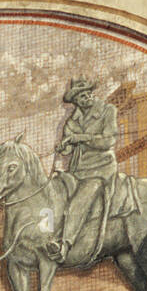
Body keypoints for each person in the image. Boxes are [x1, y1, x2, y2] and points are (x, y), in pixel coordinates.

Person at [55, 79, 119, 263]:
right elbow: (69, 148)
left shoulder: (108, 111)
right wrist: (64, 148)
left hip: (100, 169)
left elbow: (108, 141)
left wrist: (80, 138)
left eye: (89, 92)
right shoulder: (71, 122)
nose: (88, 97)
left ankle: (64, 246)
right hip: (77, 171)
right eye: (82, 95)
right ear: (75, 100)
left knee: (79, 200)